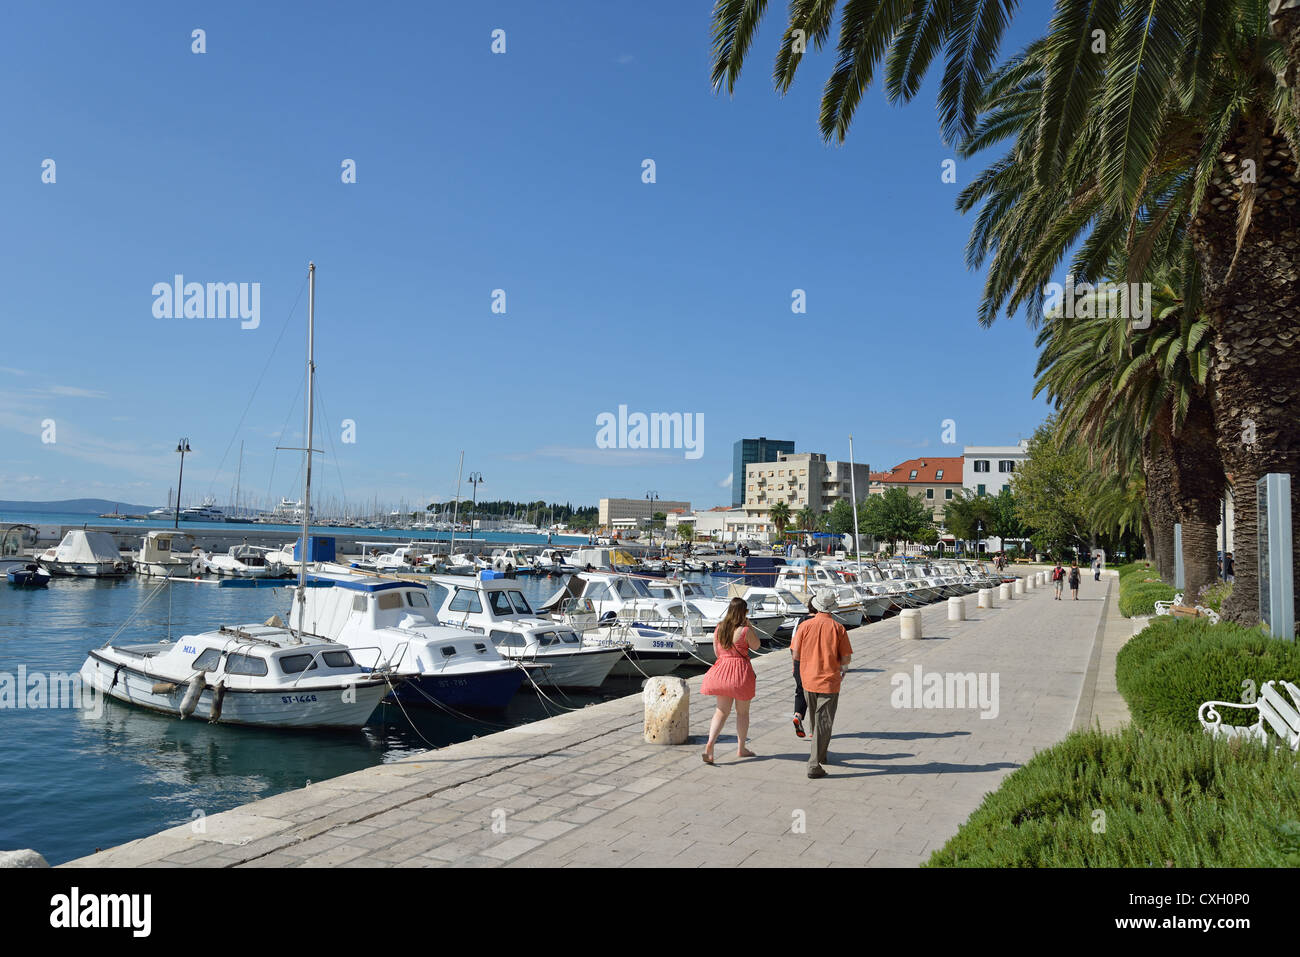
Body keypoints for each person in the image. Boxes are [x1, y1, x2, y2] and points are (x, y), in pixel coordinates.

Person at [792, 588, 853, 779]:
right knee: (824, 723)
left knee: (815, 721)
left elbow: (796, 654)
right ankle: (814, 764)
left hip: (808, 679)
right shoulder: (838, 628)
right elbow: (845, 659)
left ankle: (821, 754)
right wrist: (842, 668)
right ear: (832, 608)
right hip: (829, 681)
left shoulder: (804, 626)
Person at [700, 597, 760, 765]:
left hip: (722, 672)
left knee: (721, 711)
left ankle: (710, 744)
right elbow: (756, 646)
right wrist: (750, 626)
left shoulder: (719, 628)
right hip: (740, 674)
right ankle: (741, 748)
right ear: (743, 612)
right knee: (742, 713)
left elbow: (716, 652)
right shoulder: (745, 630)